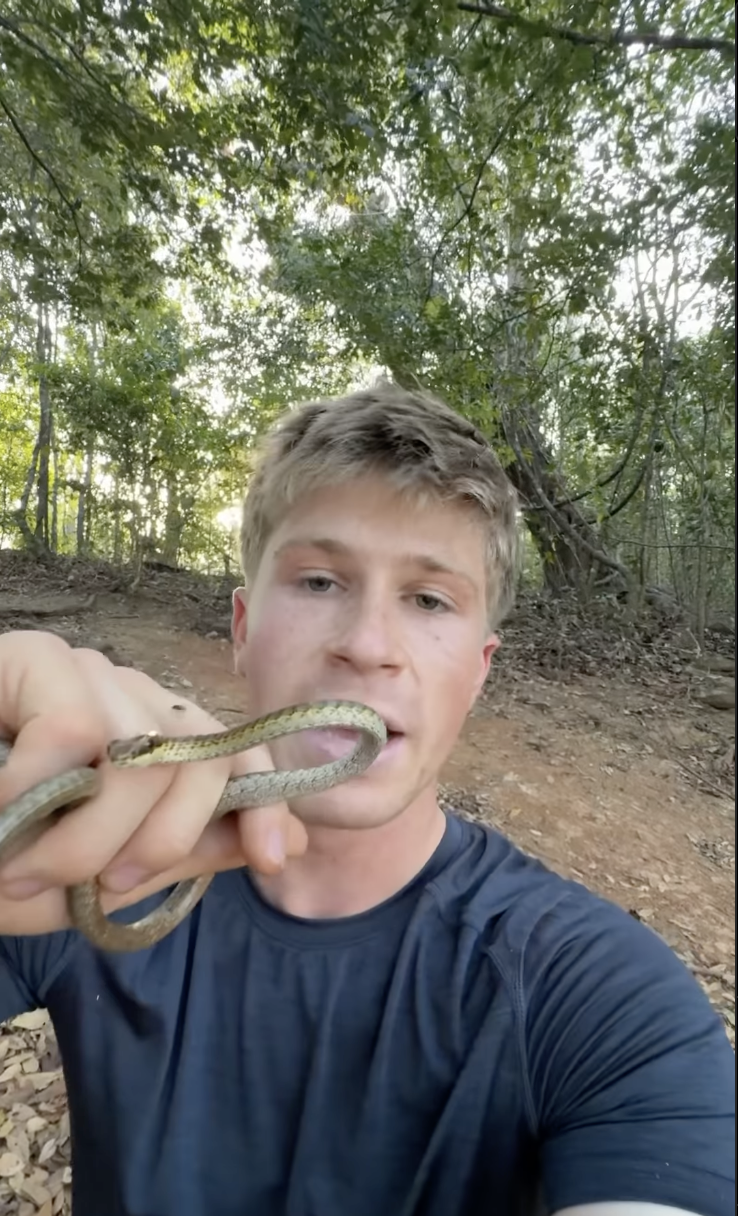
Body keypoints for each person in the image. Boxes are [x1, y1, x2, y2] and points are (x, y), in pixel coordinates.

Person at [0, 382, 733, 1216]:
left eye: (428, 600)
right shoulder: (96, 864)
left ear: (480, 671)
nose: (366, 646)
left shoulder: (601, 996)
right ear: (241, 630)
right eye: (318, 582)